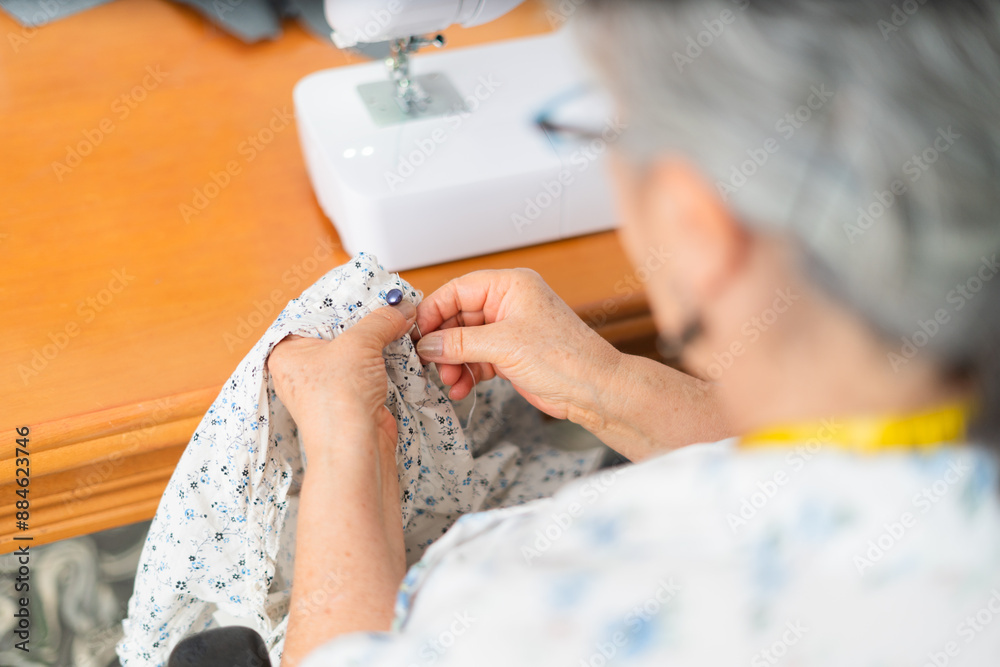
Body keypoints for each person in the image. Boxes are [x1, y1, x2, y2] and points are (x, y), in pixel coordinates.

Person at [268, 1, 1000, 665]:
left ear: (700, 228)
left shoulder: (549, 603)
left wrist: (346, 437)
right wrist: (607, 385)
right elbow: (833, 474)